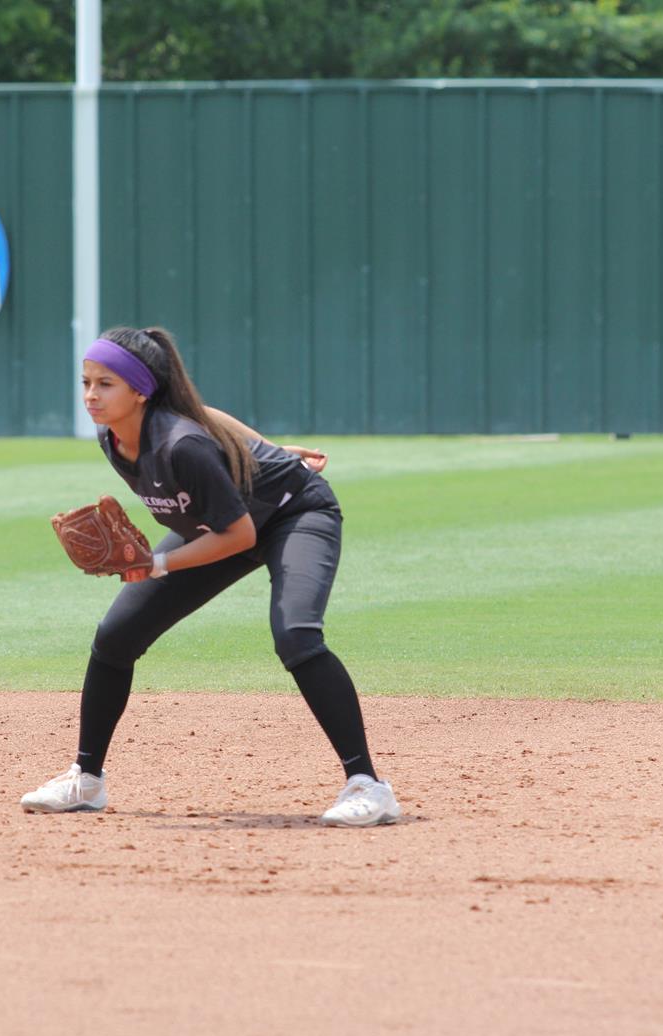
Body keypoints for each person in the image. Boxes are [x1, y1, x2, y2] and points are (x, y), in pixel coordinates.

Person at [20, 326, 400, 827]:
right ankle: (85, 780)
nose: (91, 395)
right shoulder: (114, 437)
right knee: (116, 636)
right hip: (220, 523)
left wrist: (156, 564)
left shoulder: (182, 445)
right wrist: (264, 446)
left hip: (293, 513)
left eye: (105, 384)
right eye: (86, 381)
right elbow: (208, 419)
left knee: (297, 636)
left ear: (140, 390)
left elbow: (240, 536)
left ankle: (369, 786)